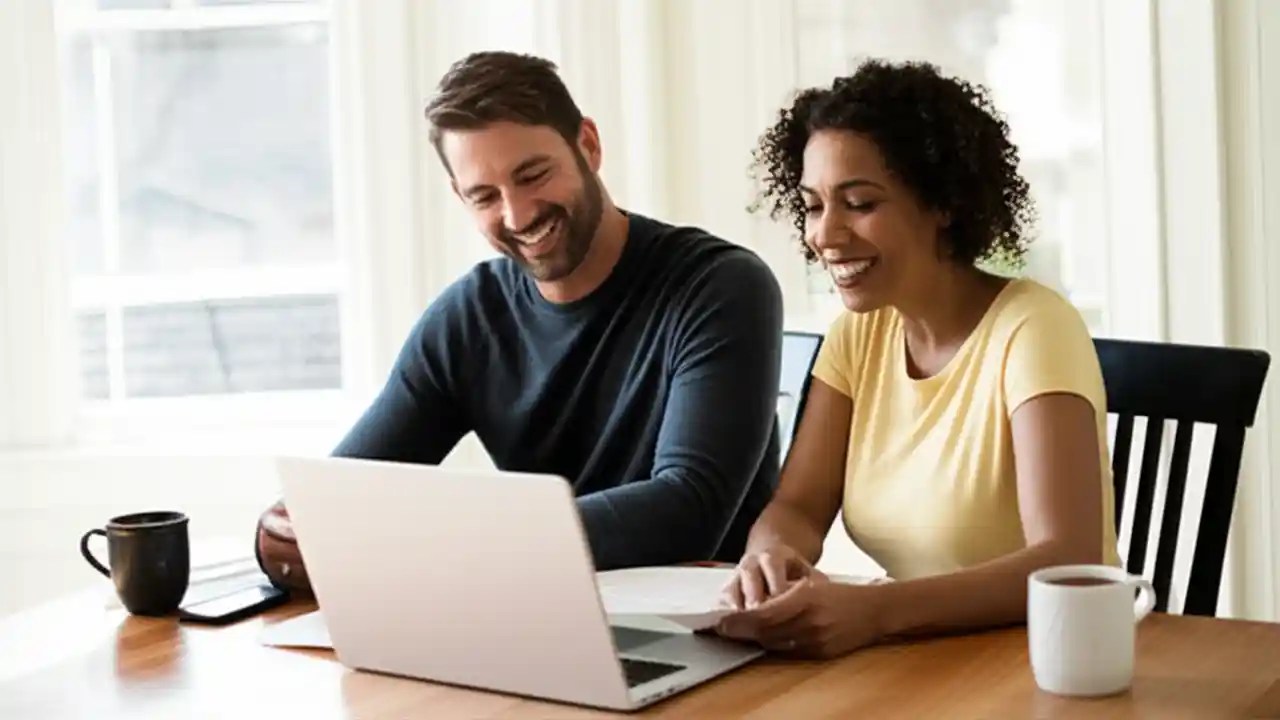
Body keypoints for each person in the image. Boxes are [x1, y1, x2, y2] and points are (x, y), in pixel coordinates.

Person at [255, 51, 784, 594]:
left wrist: (460, 541)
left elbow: (688, 508)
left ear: (589, 145)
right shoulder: (468, 319)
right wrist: (283, 535)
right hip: (533, 611)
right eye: (484, 196)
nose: (518, 215)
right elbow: (336, 500)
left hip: (703, 626)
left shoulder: (720, 286)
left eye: (532, 175)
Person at [716, 59, 1120, 658]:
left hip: (1047, 659)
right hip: (925, 655)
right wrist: (772, 554)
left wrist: (875, 612)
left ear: (943, 204)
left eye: (858, 203)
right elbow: (798, 506)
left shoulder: (1034, 329)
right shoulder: (858, 335)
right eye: (811, 206)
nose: (825, 234)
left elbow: (1069, 559)